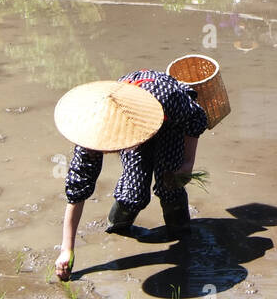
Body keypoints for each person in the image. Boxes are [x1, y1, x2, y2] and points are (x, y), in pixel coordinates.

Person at [53, 69, 209, 281]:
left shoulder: (169, 97)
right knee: (133, 194)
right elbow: (77, 191)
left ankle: (181, 233)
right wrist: (66, 249)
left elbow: (196, 119)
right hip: (132, 124)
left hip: (166, 121)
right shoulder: (90, 132)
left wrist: (188, 164)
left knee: (170, 183)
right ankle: (117, 229)